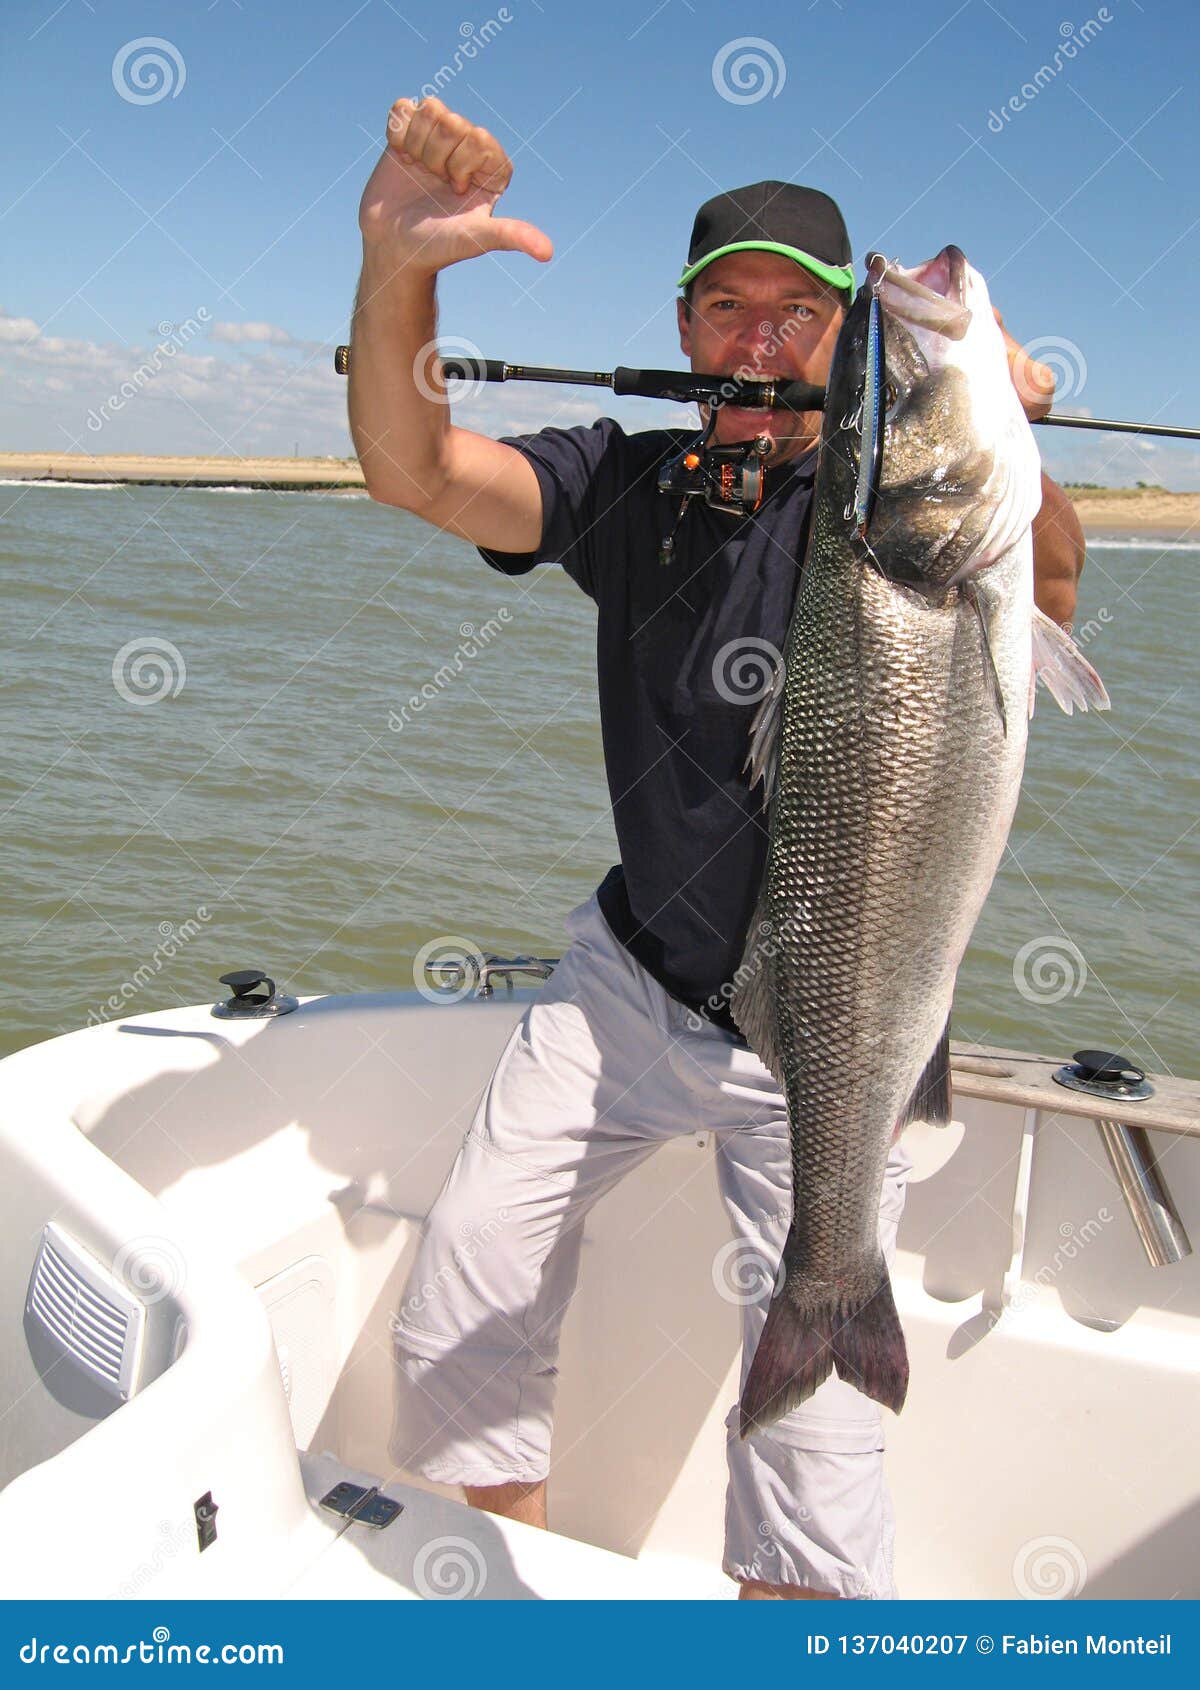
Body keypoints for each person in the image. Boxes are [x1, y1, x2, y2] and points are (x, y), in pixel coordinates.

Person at [349, 96, 1086, 1601]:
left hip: (826, 1039)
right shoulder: (624, 486)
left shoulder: (888, 511)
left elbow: (1049, 582)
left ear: (840, 348)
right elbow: (412, 467)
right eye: (725, 305)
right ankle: (524, 1604)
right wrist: (395, 262)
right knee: (463, 1295)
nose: (756, 339)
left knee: (813, 1470)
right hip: (630, 983)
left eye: (798, 315)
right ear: (681, 323)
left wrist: (1007, 431)